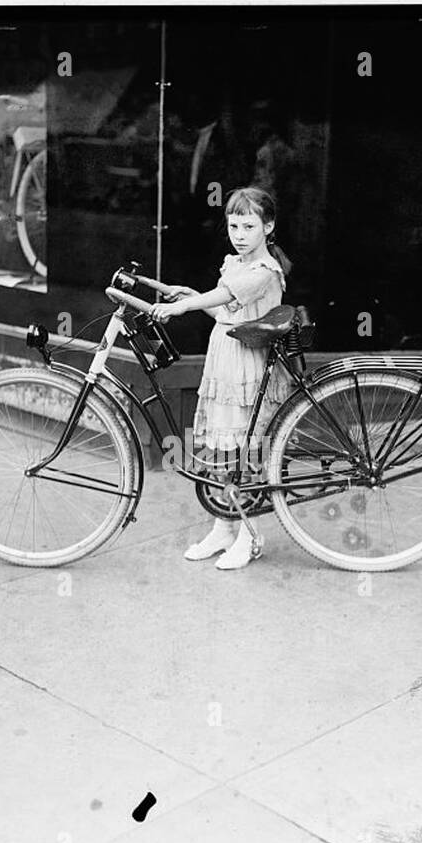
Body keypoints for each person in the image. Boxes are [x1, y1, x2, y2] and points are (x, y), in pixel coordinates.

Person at [149, 186, 293, 570]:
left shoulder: (264, 271)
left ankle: (248, 535)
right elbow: (227, 313)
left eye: (249, 225)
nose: (240, 233)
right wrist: (193, 296)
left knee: (248, 452)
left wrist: (182, 305)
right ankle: (223, 528)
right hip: (226, 360)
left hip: (248, 368)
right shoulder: (237, 264)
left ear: (269, 226)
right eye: (233, 225)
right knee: (225, 451)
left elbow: (222, 297)